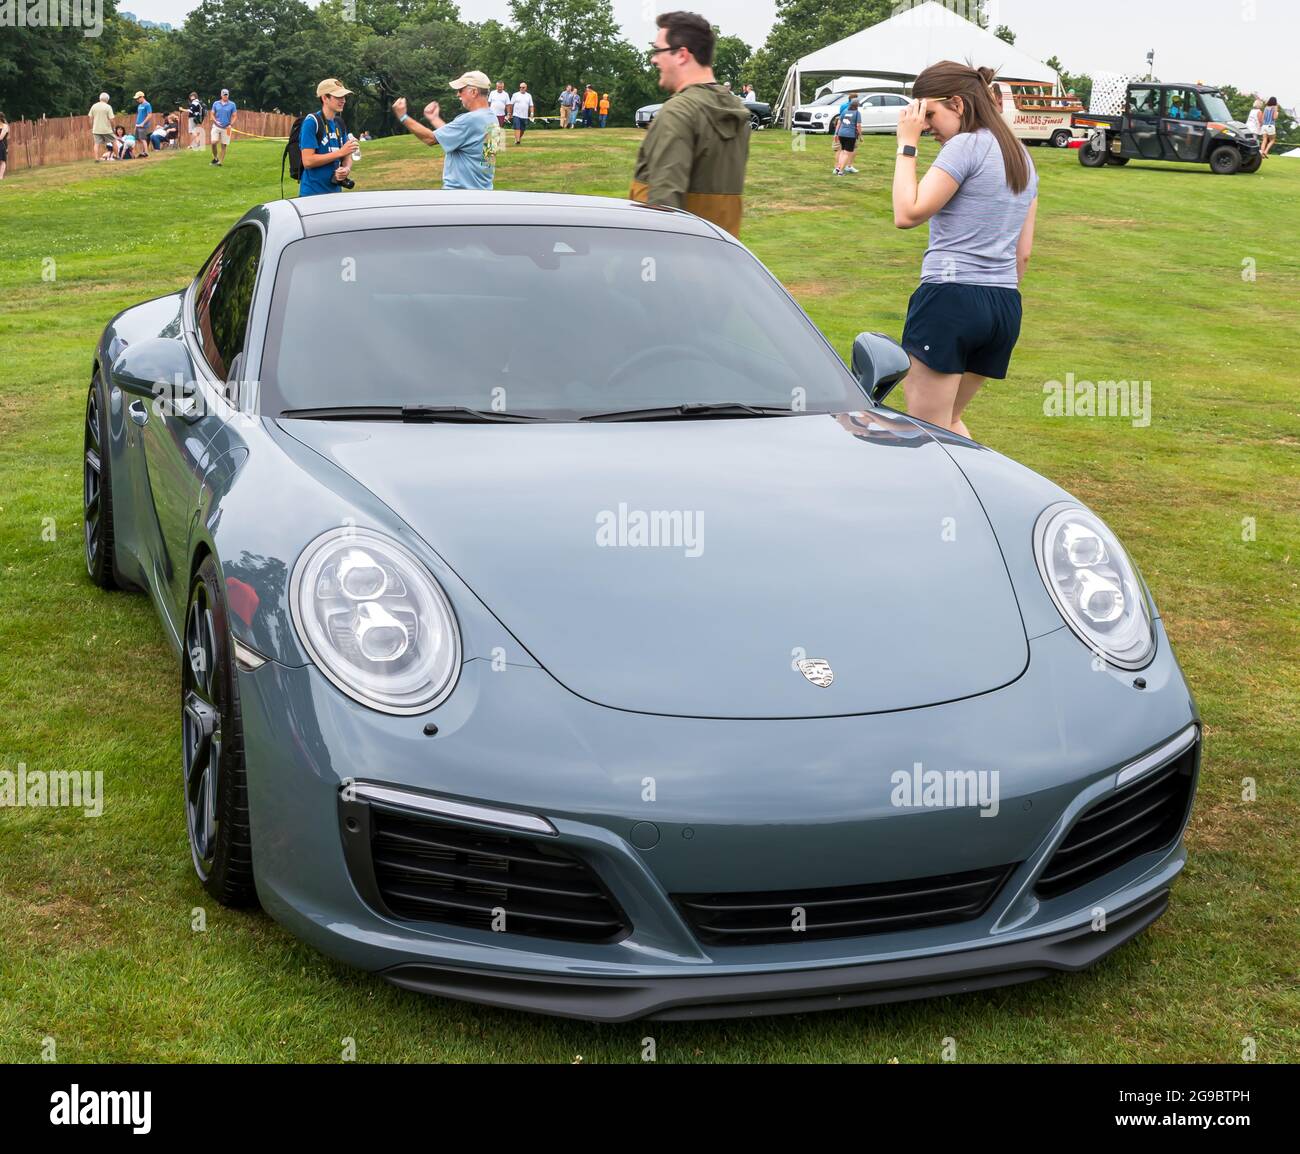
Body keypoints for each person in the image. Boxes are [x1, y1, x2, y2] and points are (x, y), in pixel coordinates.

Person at [892, 61, 1038, 439]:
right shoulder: (1022, 155)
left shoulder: (965, 145)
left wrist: (905, 147)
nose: (924, 126)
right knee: (950, 425)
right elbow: (1023, 254)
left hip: (951, 301)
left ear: (957, 103)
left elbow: (907, 213)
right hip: (1003, 306)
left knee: (927, 435)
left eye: (929, 113)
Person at [631, 11, 750, 238]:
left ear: (682, 54)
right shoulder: (738, 112)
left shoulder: (679, 112)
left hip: (673, 264)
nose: (654, 59)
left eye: (658, 50)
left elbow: (663, 210)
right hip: (719, 256)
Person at [392, 70, 498, 190]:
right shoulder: (492, 119)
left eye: (460, 90)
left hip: (459, 194)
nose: (458, 94)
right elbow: (487, 159)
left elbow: (430, 139)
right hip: (483, 193)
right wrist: (435, 119)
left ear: (473, 92)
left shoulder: (470, 120)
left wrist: (403, 117)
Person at [299, 79, 358, 197]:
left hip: (335, 194)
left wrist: (346, 169)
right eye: (338, 96)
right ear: (324, 98)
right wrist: (340, 152)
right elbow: (308, 161)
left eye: (344, 96)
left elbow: (347, 156)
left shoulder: (339, 123)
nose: (343, 100)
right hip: (312, 195)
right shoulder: (311, 122)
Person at [833, 95, 862, 175]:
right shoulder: (857, 113)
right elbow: (858, 125)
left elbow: (839, 121)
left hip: (841, 133)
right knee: (847, 153)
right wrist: (861, 136)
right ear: (857, 105)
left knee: (842, 152)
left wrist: (836, 133)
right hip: (850, 135)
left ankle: (837, 168)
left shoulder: (845, 110)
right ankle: (841, 171)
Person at [210, 88, 237, 166]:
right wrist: (215, 120)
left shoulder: (232, 104)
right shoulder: (216, 103)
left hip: (227, 128)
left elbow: (235, 116)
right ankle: (215, 158)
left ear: (228, 95)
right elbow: (212, 114)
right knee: (213, 142)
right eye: (224, 95)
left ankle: (220, 162)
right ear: (221, 95)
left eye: (227, 95)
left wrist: (230, 124)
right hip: (216, 126)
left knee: (224, 144)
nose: (225, 96)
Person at [89, 92, 115, 161]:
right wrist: (113, 128)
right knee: (114, 141)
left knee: (96, 143)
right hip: (106, 129)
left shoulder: (94, 106)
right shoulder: (108, 107)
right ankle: (118, 156)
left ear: (100, 98)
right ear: (107, 99)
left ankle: (96, 159)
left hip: (96, 129)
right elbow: (112, 119)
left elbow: (90, 118)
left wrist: (92, 127)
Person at [0, 112, 8, 181]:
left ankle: (1, 177)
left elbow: (1, 137)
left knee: (2, 161)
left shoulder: (5, 126)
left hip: (1, 145)